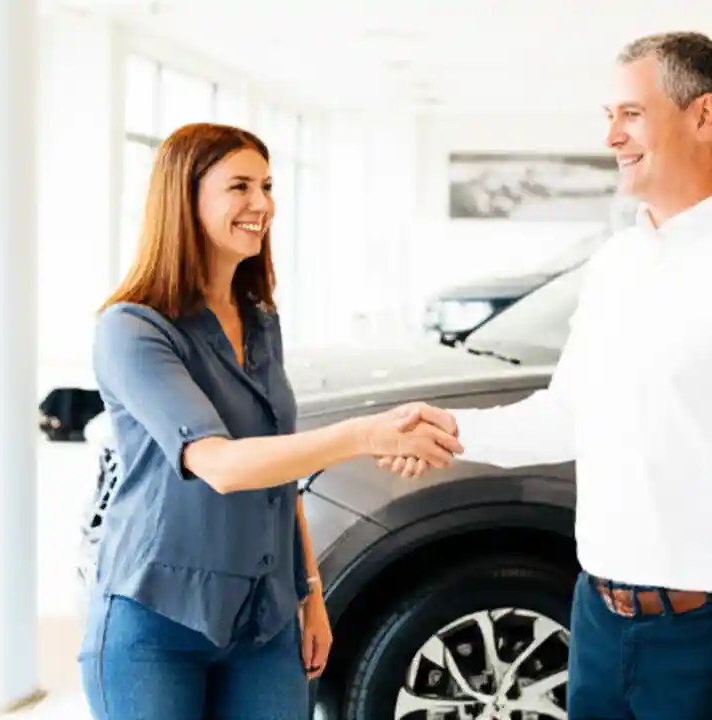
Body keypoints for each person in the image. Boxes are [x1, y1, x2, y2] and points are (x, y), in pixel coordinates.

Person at [381, 32, 712, 720]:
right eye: (609, 115)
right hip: (597, 620)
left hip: (711, 635)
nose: (611, 137)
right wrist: (452, 428)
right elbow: (569, 413)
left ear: (703, 116)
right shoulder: (617, 264)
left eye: (630, 114)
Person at [80, 123, 463, 720]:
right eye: (240, 186)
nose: (261, 204)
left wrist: (308, 593)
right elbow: (222, 465)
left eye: (266, 185)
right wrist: (364, 433)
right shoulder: (133, 329)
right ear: (185, 198)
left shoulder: (259, 321)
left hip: (264, 621)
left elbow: (278, 472)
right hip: (156, 620)